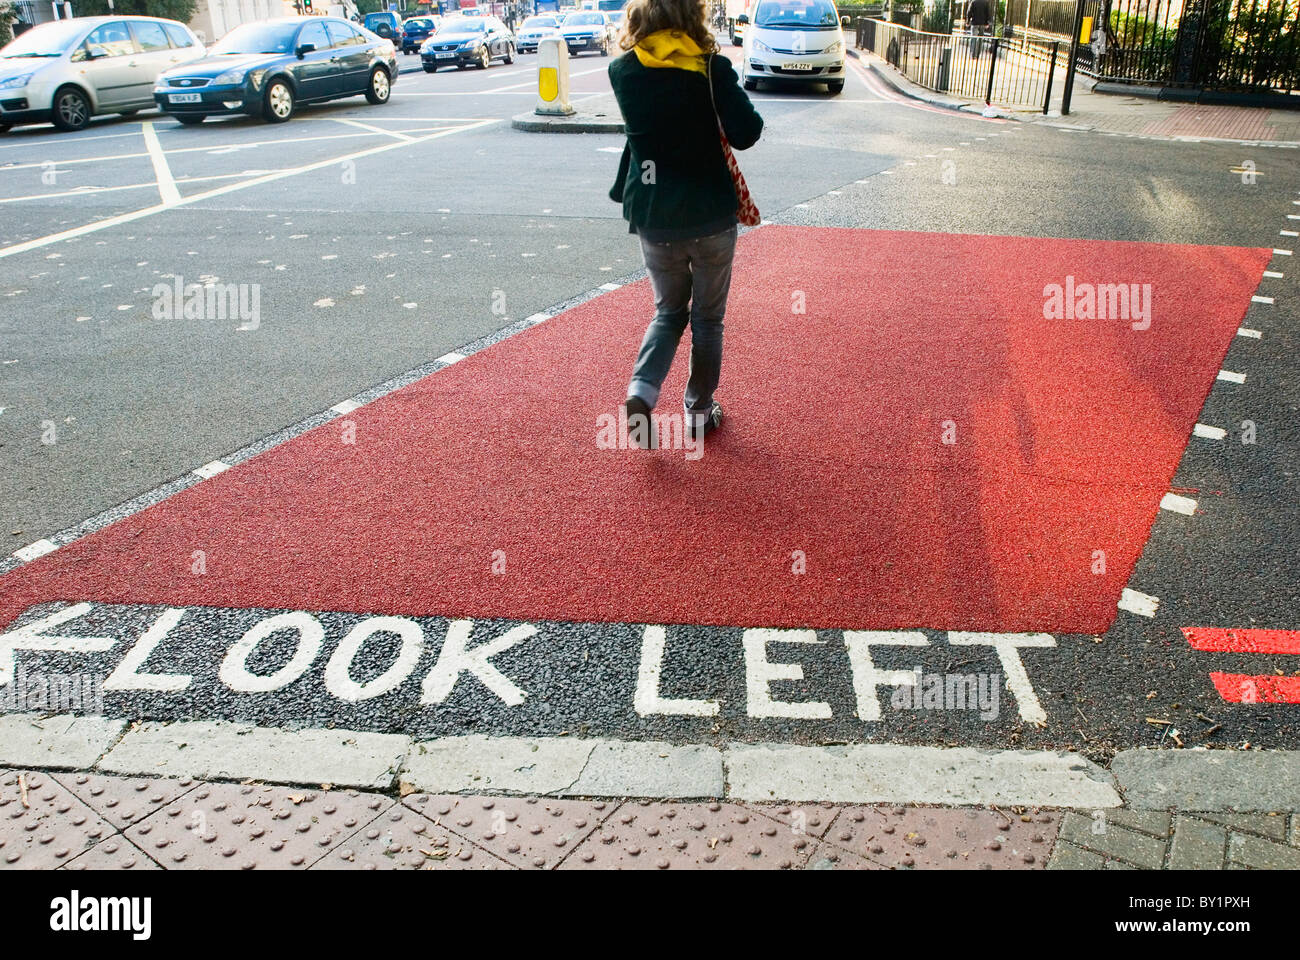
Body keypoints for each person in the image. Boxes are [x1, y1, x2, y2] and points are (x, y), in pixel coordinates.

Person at [607, 0, 763, 447]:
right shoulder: (711, 68)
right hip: (709, 214)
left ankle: (641, 391)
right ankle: (697, 412)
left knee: (668, 312)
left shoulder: (624, 71)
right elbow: (746, 132)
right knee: (708, 319)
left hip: (653, 214)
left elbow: (643, 137)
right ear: (692, 17)